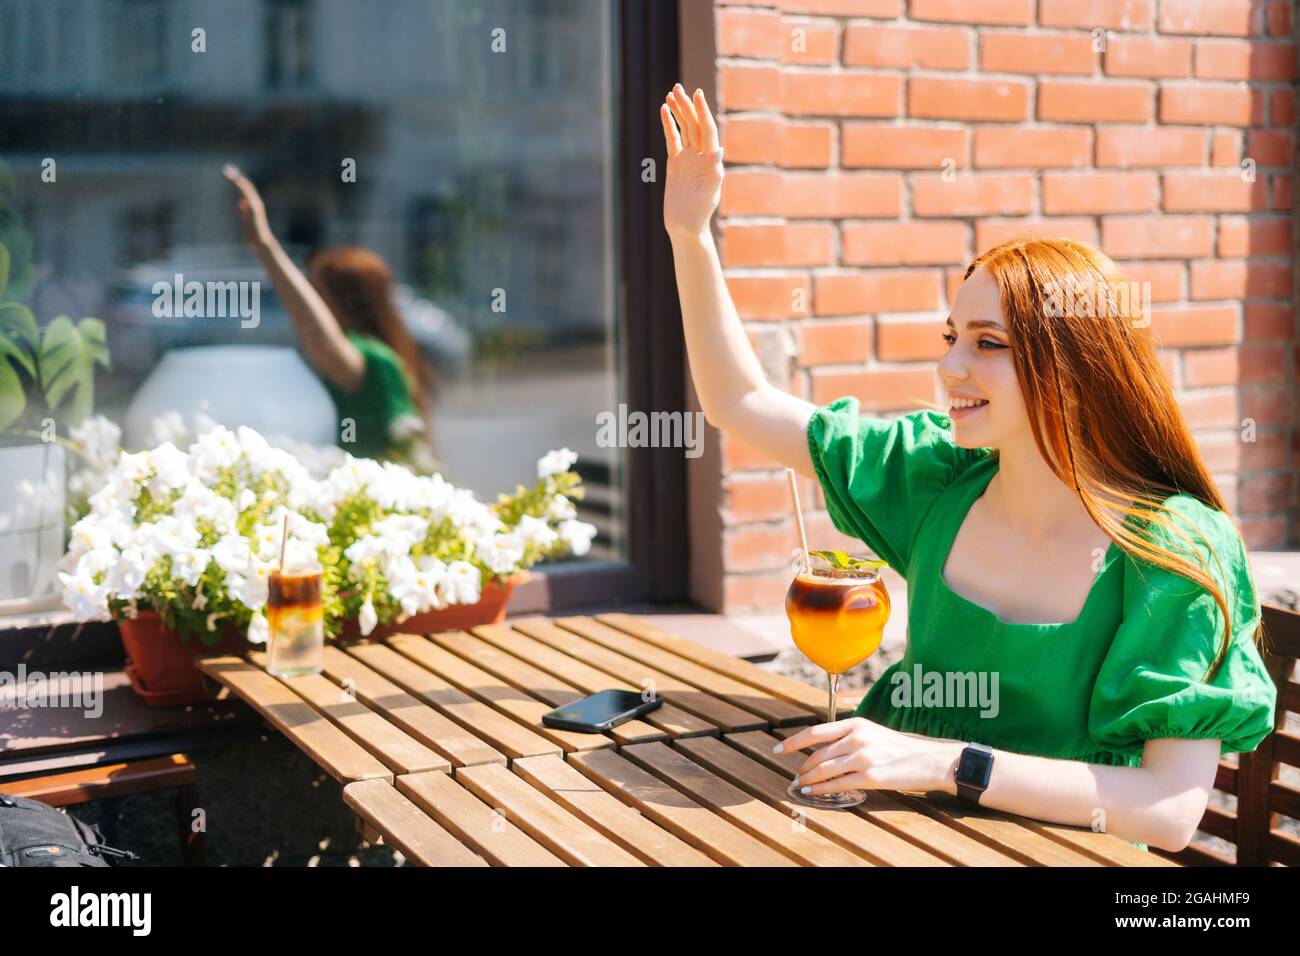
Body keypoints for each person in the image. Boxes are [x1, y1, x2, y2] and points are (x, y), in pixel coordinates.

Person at [659, 84, 1278, 854]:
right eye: (950, 335)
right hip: (883, 838)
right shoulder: (939, 475)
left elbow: (1165, 810)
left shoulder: (1173, 551)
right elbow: (742, 402)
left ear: (1076, 368)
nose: (950, 365)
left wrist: (947, 764)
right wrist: (691, 235)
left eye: (988, 343)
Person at [223, 165, 438, 467]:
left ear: (341, 299)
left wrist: (266, 247)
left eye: (316, 291)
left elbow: (323, 342)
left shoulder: (374, 359)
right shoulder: (389, 356)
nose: (313, 299)